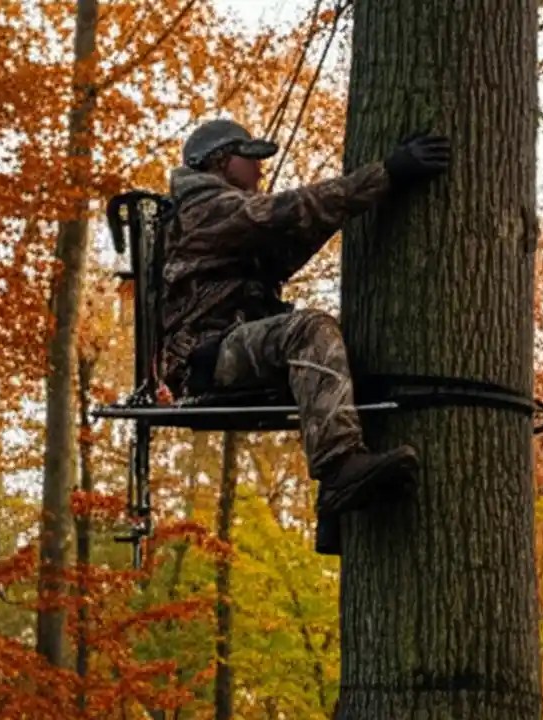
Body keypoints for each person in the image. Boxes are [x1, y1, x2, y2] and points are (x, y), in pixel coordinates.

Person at [159, 118, 450, 555]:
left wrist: (356, 200)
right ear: (221, 161)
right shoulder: (204, 209)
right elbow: (290, 211)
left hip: (229, 345)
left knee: (347, 357)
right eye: (250, 159)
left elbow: (288, 242)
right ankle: (340, 468)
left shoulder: (225, 216)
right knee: (309, 330)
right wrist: (386, 173)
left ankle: (338, 509)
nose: (259, 171)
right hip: (206, 355)